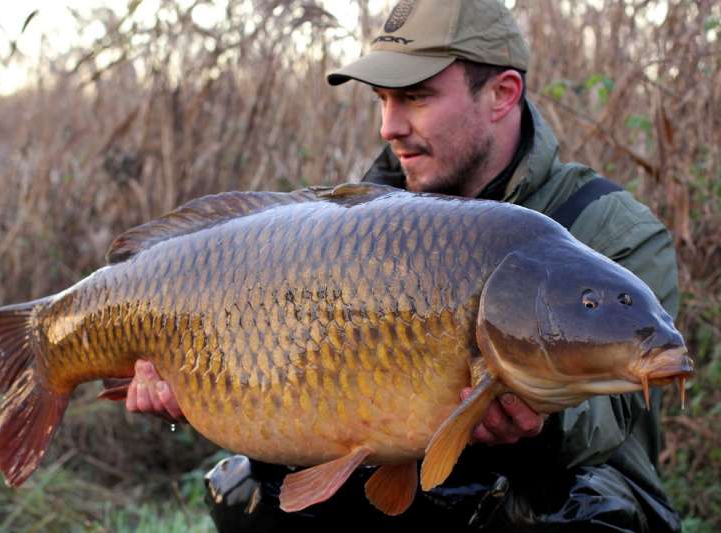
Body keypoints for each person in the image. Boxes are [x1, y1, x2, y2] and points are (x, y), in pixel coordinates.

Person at [125, 1, 682, 530]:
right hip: (404, 478)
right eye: (382, 101)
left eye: (414, 98)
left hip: (549, 491)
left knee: (586, 510)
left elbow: (620, 416)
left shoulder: (611, 229)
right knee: (247, 490)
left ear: (501, 94)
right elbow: (284, 382)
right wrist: (191, 389)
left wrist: (538, 421)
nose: (388, 128)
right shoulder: (359, 226)